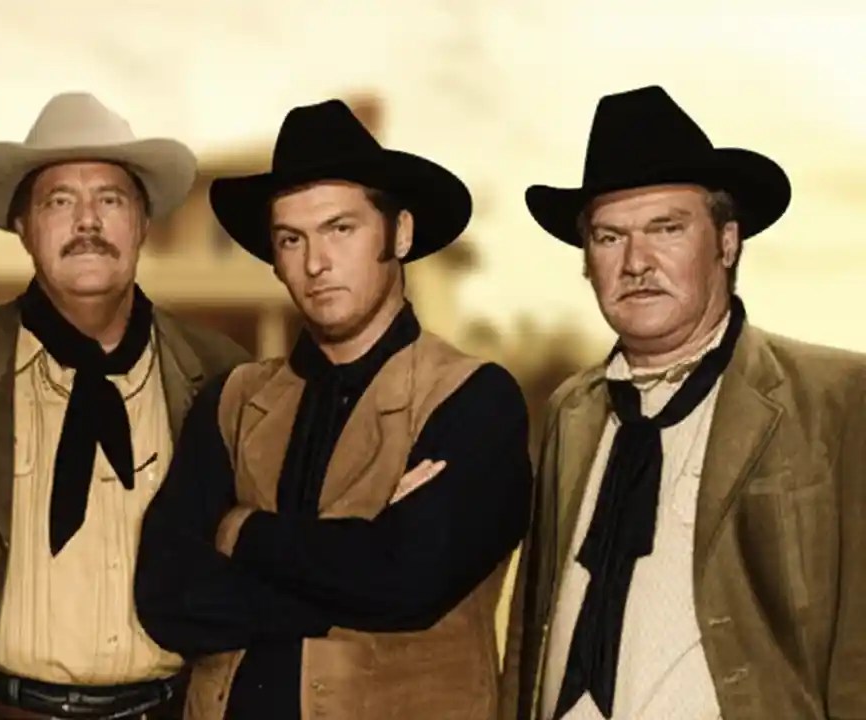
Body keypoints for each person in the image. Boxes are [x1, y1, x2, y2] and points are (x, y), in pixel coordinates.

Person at [0, 92, 250, 720]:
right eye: (59, 201)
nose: (87, 221)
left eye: (110, 200)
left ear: (143, 223)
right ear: (23, 227)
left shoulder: (224, 379)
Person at [134, 98, 533, 719]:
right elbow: (166, 596)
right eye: (291, 239)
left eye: (341, 229)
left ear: (399, 233)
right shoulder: (233, 400)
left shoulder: (473, 399)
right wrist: (358, 569)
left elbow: (408, 584)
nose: (315, 263)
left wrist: (240, 530)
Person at [499, 85, 866, 720]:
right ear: (587, 260)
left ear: (726, 242)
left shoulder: (834, 398)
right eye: (610, 237)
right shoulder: (573, 411)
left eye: (666, 229)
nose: (636, 262)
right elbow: (530, 628)